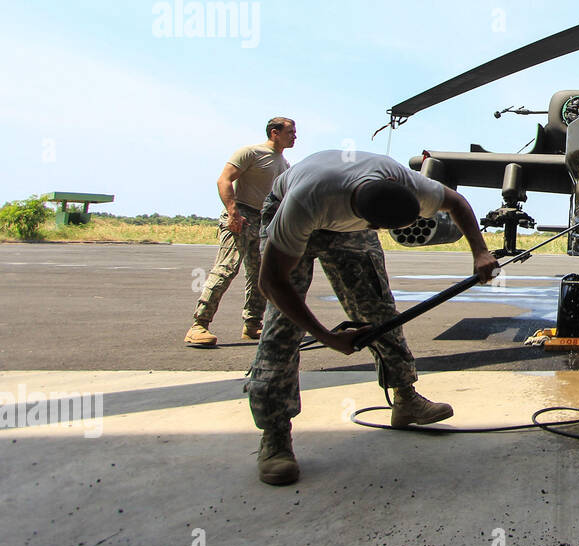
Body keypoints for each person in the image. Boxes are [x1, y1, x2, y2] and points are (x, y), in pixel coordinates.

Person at [245, 149, 497, 486]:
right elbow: (270, 283)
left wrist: (480, 251)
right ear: (371, 223)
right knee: (283, 327)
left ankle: (405, 399)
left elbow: (458, 203)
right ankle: (275, 436)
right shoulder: (305, 203)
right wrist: (327, 337)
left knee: (378, 310)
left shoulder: (405, 180)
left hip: (348, 212)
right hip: (294, 205)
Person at [184, 118, 296, 346]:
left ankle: (252, 324)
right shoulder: (250, 153)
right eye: (290, 132)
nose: (295, 136)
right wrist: (233, 212)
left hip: (265, 222)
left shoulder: (285, 165)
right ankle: (199, 325)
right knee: (226, 268)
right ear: (275, 133)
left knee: (259, 275)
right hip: (241, 217)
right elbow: (224, 180)